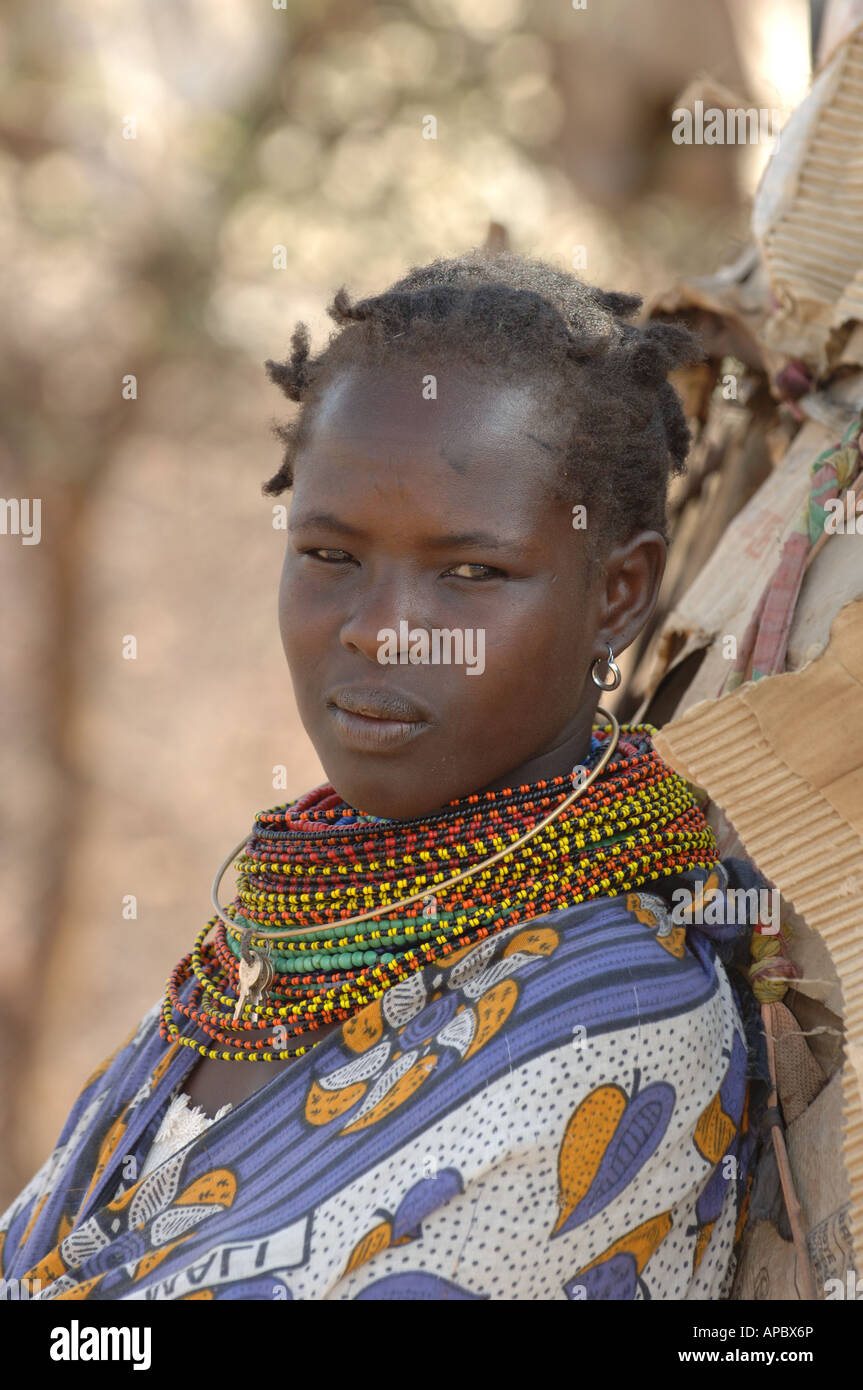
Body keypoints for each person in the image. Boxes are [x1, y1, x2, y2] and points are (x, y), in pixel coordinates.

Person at [0, 250, 769, 1301]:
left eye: (469, 573)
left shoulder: (611, 1029)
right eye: (330, 555)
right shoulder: (267, 951)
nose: (378, 632)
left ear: (617, 593)